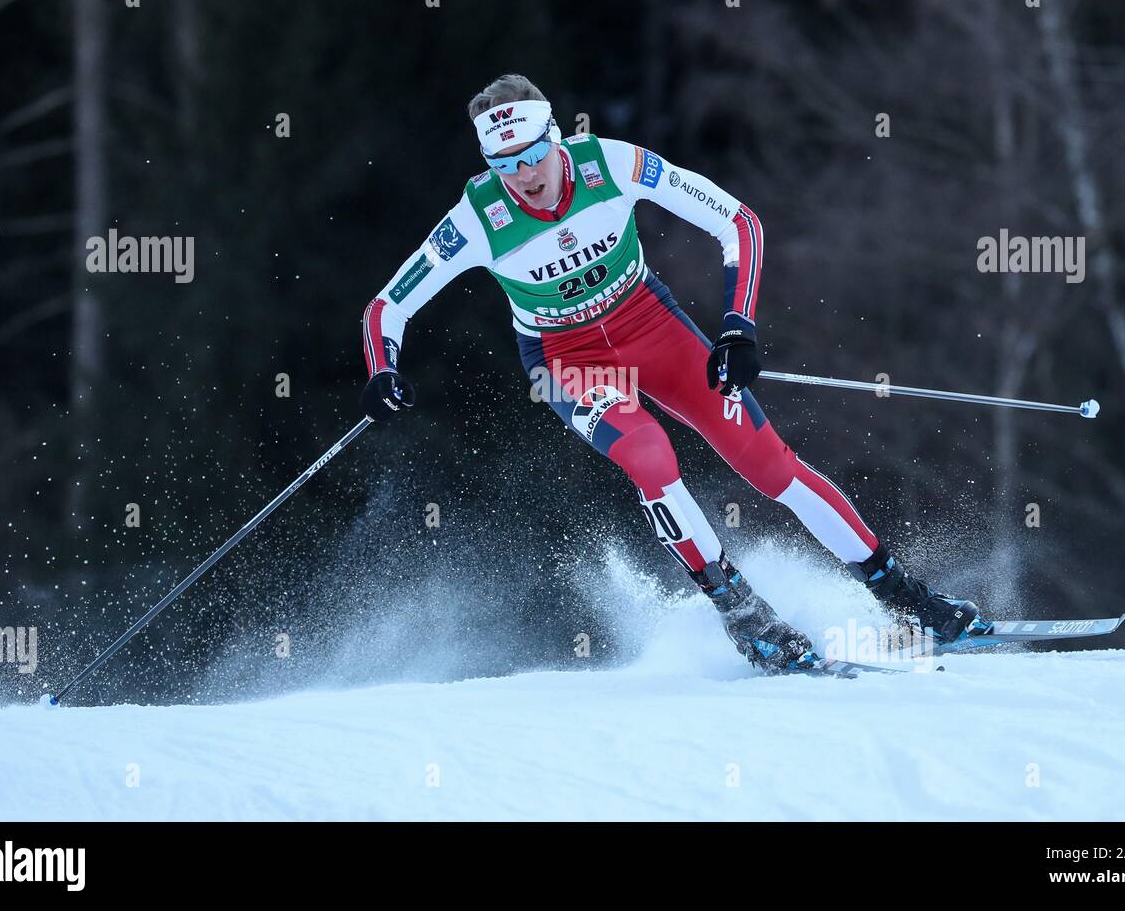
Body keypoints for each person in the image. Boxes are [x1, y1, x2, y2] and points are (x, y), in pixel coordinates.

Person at [360, 74, 981, 674]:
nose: (524, 176)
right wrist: (382, 369)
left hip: (651, 327)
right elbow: (388, 306)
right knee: (650, 456)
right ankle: (742, 614)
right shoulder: (477, 219)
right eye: (505, 164)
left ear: (555, 138)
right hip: (562, 361)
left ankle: (905, 598)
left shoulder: (613, 164)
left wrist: (739, 326)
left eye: (532, 154)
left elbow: (738, 222)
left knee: (768, 464)